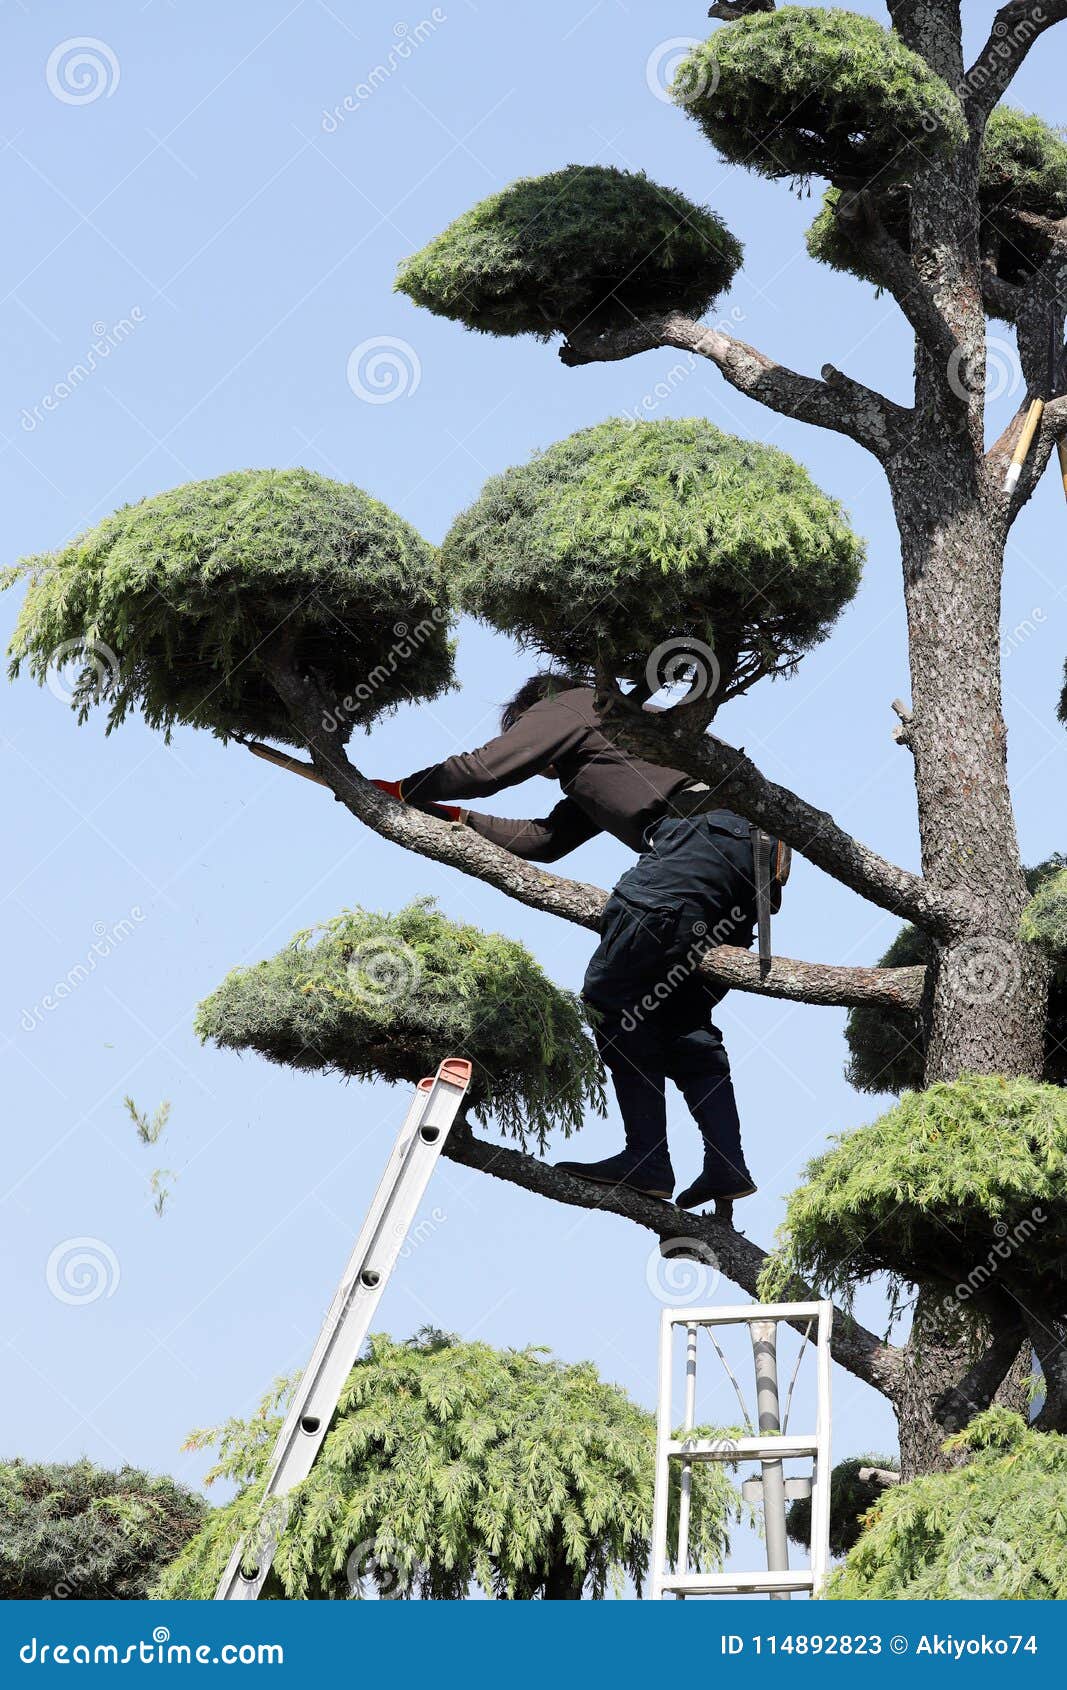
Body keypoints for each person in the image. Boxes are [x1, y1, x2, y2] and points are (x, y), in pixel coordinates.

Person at [374, 674, 763, 1208]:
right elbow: (547, 840)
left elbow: (484, 769)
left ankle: (647, 1159)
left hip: (693, 848)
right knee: (679, 1022)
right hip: (746, 871)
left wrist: (403, 789)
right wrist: (457, 818)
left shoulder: (574, 703)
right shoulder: (618, 748)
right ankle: (726, 1163)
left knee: (611, 994)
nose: (544, 766)